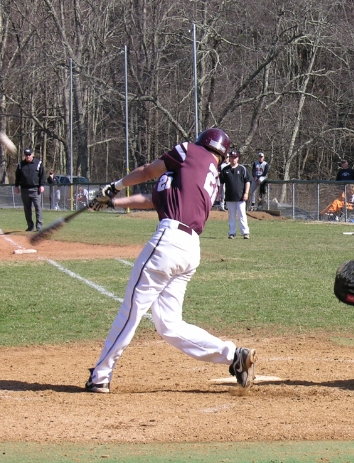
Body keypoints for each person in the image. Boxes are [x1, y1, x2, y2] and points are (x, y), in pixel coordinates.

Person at [83, 127, 256, 394]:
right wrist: (112, 203)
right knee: (169, 324)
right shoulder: (204, 177)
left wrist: (115, 186)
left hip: (169, 240)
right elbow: (153, 199)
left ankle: (100, 376)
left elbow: (146, 171)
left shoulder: (191, 151)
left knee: (131, 311)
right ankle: (233, 355)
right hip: (190, 248)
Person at [220, 149, 253, 239]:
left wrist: (246, 193)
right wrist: (220, 195)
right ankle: (232, 232)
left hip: (240, 197)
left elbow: (248, 181)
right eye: (231, 157)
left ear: (238, 158)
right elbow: (221, 183)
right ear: (229, 158)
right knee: (231, 216)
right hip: (229, 197)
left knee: (242, 215)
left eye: (235, 157)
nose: (233, 159)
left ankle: (245, 232)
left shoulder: (242, 169)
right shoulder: (225, 170)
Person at [14, 148, 46, 231]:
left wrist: (42, 185)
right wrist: (16, 186)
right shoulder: (21, 164)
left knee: (38, 208)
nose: (27, 156)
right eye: (26, 155)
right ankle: (30, 226)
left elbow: (42, 175)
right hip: (24, 189)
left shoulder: (38, 163)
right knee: (27, 209)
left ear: (33, 155)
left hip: (35, 189)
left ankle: (39, 227)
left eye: (29, 155)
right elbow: (18, 176)